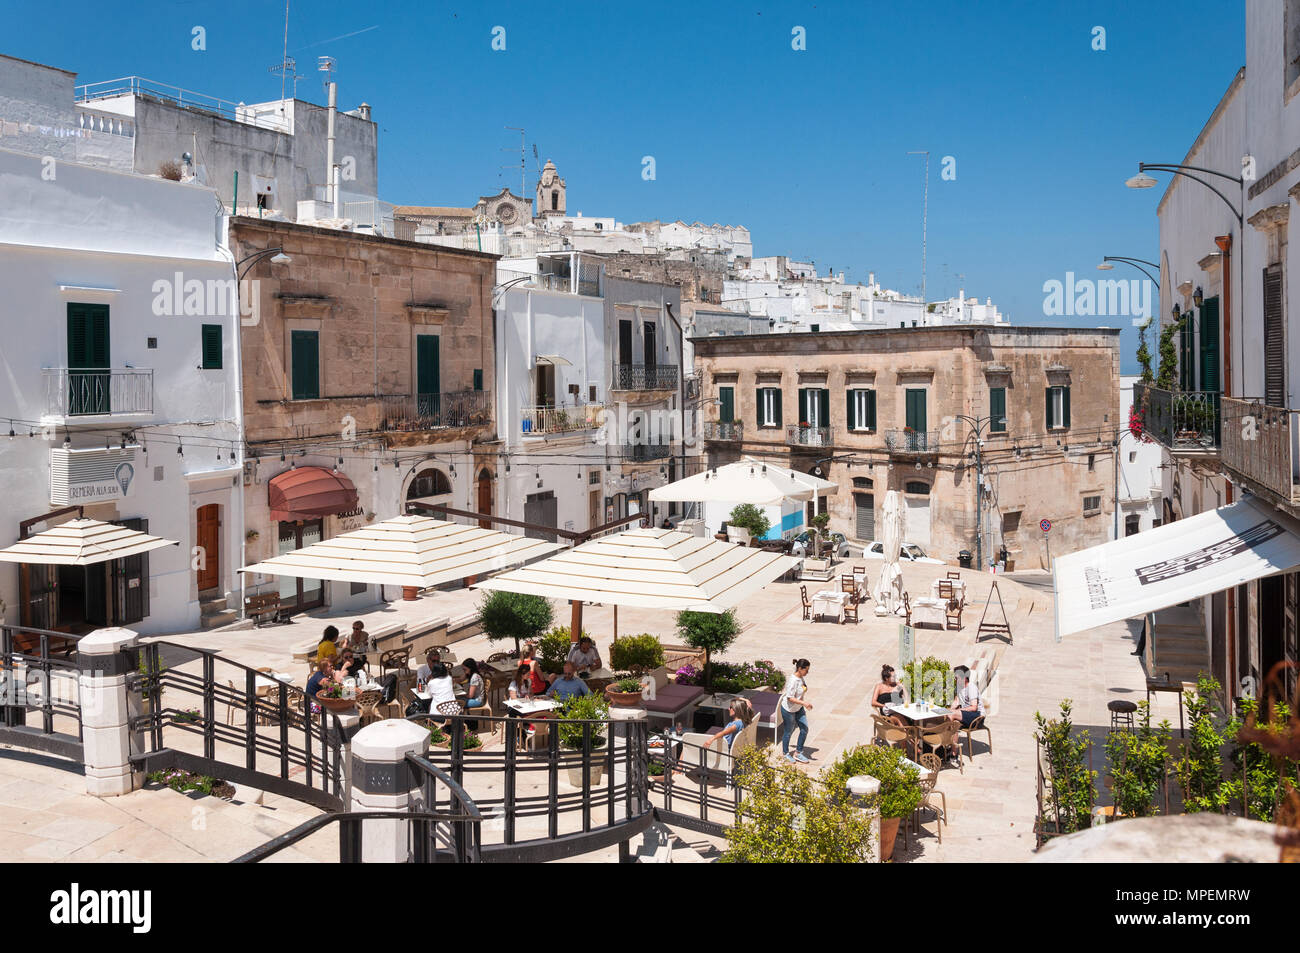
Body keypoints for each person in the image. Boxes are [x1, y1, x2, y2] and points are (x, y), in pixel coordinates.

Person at [945, 665, 983, 767]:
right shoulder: (959, 687)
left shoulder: (971, 688)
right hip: (967, 714)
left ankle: (948, 745)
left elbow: (974, 707)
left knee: (952, 715)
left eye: (957, 677)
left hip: (977, 717)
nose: (955, 679)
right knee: (953, 722)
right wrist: (948, 710)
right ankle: (953, 752)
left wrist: (956, 711)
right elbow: (956, 701)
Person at [779, 658, 813, 764]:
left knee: (804, 729)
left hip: (798, 708)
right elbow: (789, 697)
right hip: (789, 710)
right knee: (788, 732)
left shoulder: (801, 678)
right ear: (799, 668)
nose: (807, 672)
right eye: (806, 670)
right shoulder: (793, 680)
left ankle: (798, 753)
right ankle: (785, 753)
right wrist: (804, 703)